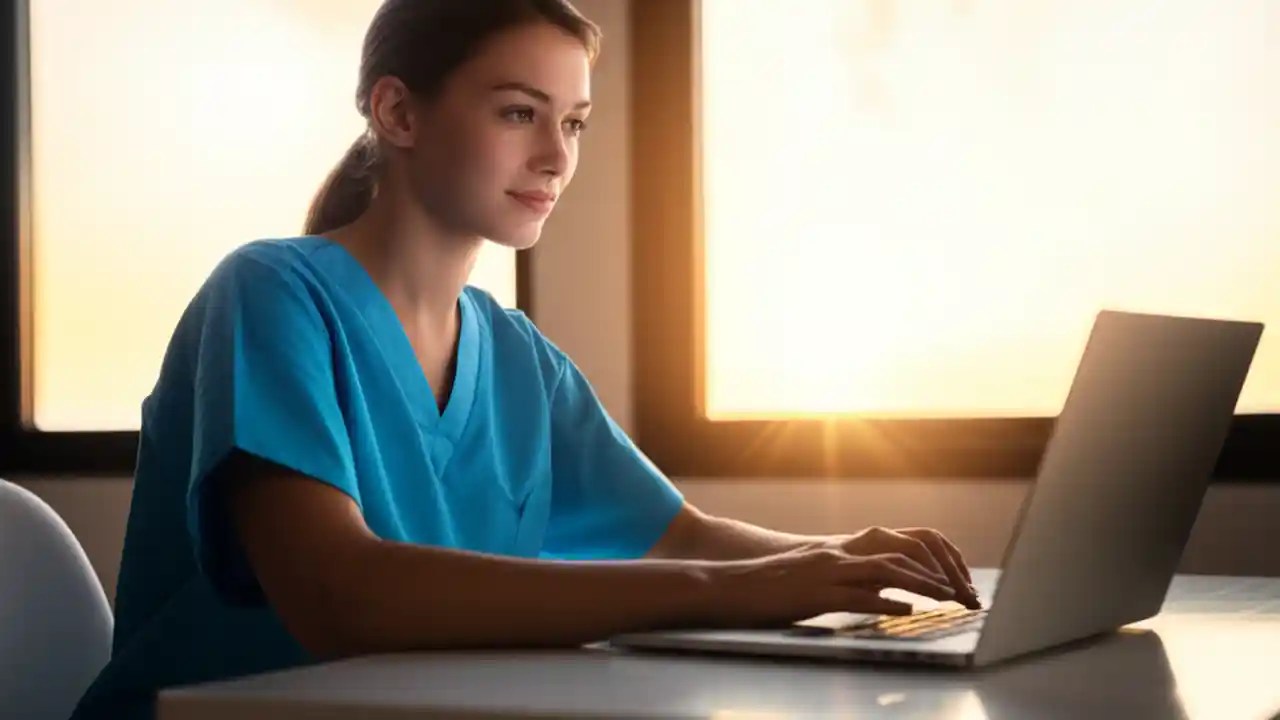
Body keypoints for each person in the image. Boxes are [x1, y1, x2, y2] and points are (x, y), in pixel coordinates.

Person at [70, 1, 980, 717]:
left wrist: (843, 557)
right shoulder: (272, 293)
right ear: (397, 111)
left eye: (575, 124)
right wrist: (736, 590)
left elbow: (679, 534)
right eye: (519, 113)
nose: (554, 157)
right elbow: (338, 595)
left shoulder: (515, 357)